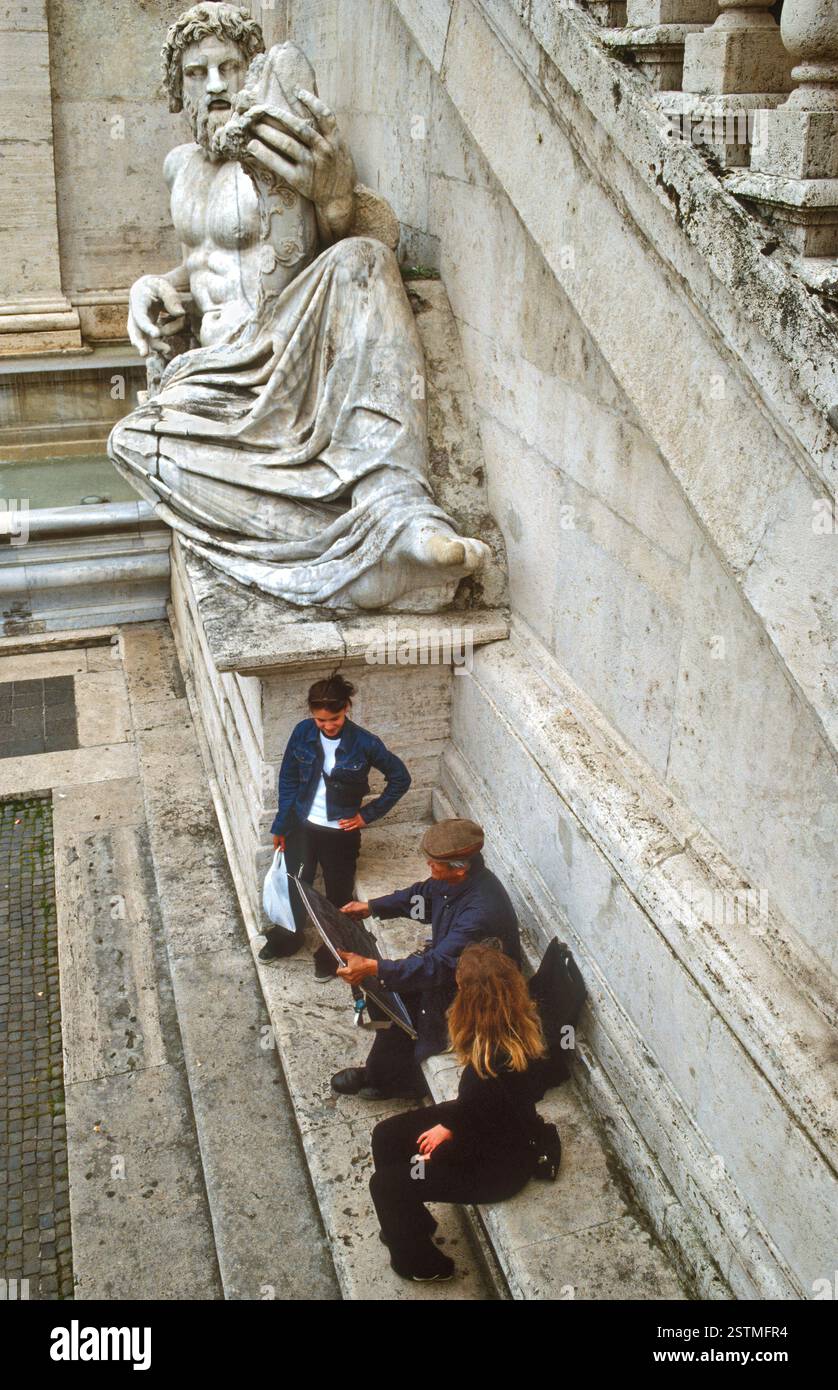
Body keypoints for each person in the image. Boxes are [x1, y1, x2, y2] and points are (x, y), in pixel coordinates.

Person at [369, 944, 548, 1282]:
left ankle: (420, 1265)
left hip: (496, 1170)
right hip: (481, 1125)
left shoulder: (493, 1068)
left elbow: (484, 1138)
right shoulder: (511, 1028)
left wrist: (439, 1152)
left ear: (475, 1000)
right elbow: (481, 1113)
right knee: (387, 1135)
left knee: (386, 1185)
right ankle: (410, 1225)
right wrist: (449, 1128)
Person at [331, 819, 521, 1099]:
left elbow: (438, 967)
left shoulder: (480, 912)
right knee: (384, 996)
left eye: (434, 864)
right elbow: (421, 894)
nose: (429, 868)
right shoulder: (457, 880)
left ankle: (401, 1083)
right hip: (447, 965)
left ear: (459, 869)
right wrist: (372, 907)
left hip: (472, 990)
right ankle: (382, 1071)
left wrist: (374, 966)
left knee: (414, 1012)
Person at [259, 672, 411, 977]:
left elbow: (400, 778)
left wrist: (366, 815)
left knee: (339, 894)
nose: (328, 726)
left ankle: (332, 951)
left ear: (347, 708)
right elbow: (288, 778)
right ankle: (289, 937)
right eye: (320, 720)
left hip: (340, 833)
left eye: (335, 718)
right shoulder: (302, 733)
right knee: (295, 884)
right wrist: (280, 825)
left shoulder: (365, 743)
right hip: (301, 825)